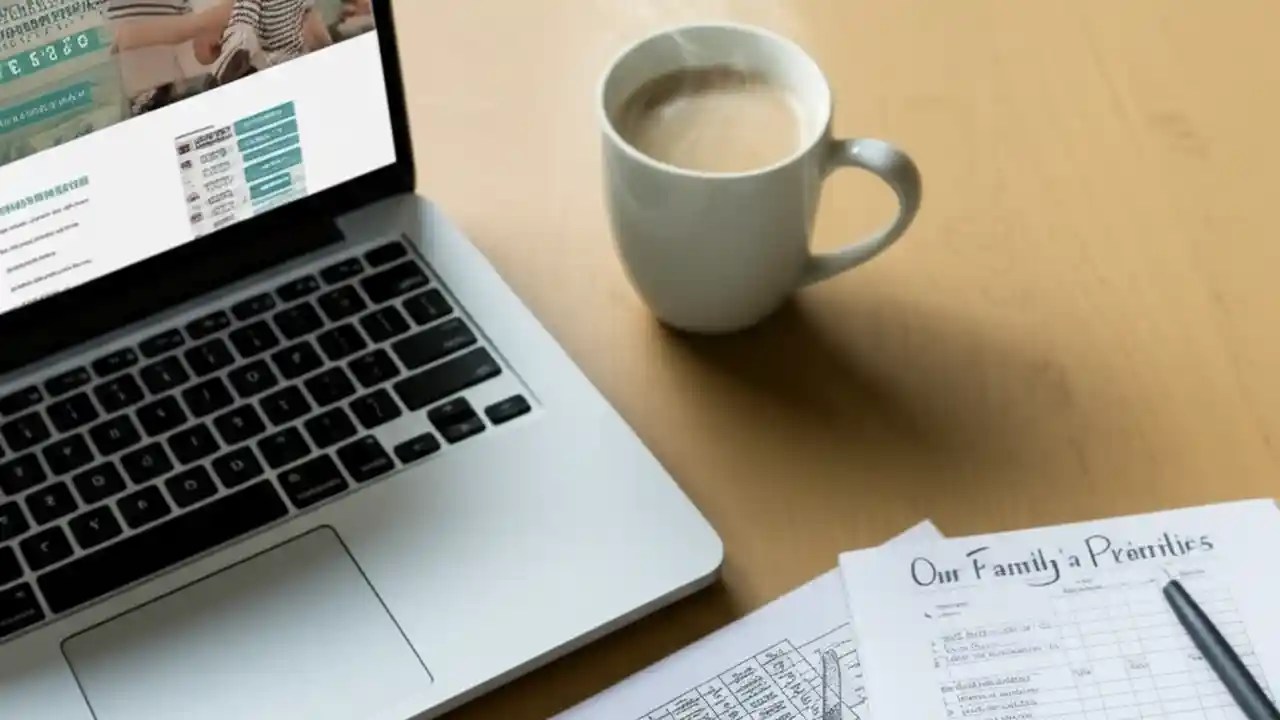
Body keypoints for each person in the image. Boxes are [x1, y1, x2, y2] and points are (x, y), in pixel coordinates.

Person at [211, 0, 332, 87]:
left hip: (291, 55)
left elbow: (312, 21)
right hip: (262, 55)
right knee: (244, 36)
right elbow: (243, 21)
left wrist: (331, 50)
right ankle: (234, 62)